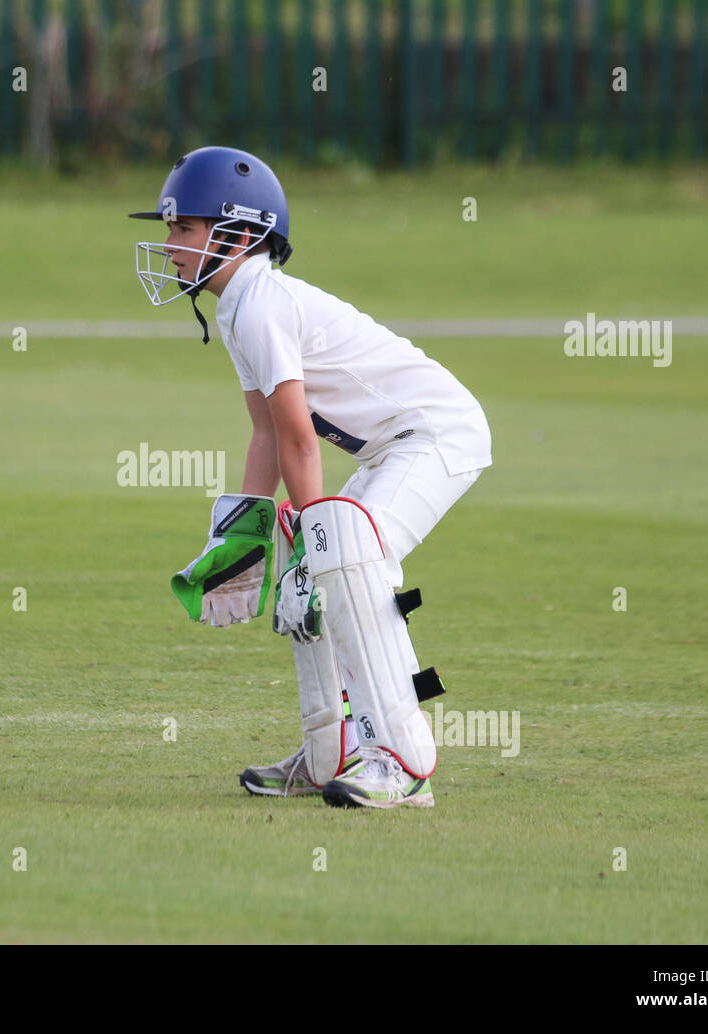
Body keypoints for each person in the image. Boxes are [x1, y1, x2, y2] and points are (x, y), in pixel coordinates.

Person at [130, 146, 492, 809]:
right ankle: (333, 754)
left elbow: (300, 437)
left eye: (183, 228)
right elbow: (267, 433)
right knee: (312, 564)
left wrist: (317, 541)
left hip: (441, 435)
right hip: (394, 449)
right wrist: (246, 537)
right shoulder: (240, 306)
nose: (170, 244)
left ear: (237, 234)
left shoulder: (261, 303)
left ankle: (403, 762)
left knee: (344, 557)